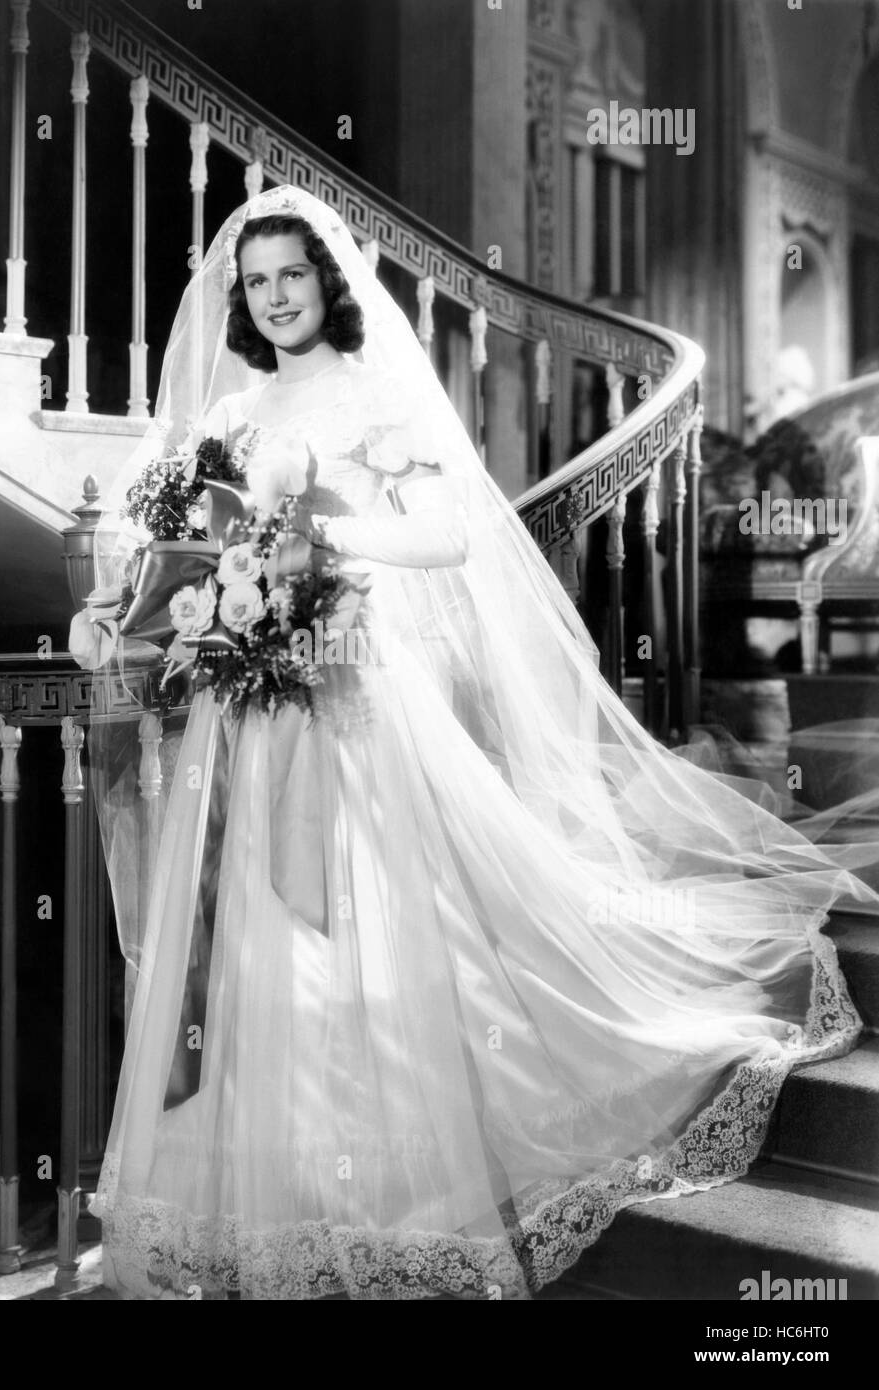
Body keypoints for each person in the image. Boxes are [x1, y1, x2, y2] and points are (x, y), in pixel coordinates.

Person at [76, 185, 876, 1301]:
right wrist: (183, 590)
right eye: (255, 283)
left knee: (374, 929)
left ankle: (390, 1180)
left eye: (291, 275)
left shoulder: (374, 394)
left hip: (356, 697)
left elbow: (449, 533)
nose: (273, 297)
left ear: (329, 280)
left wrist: (316, 542)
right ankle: (281, 1177)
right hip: (249, 705)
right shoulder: (240, 409)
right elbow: (190, 546)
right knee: (264, 937)